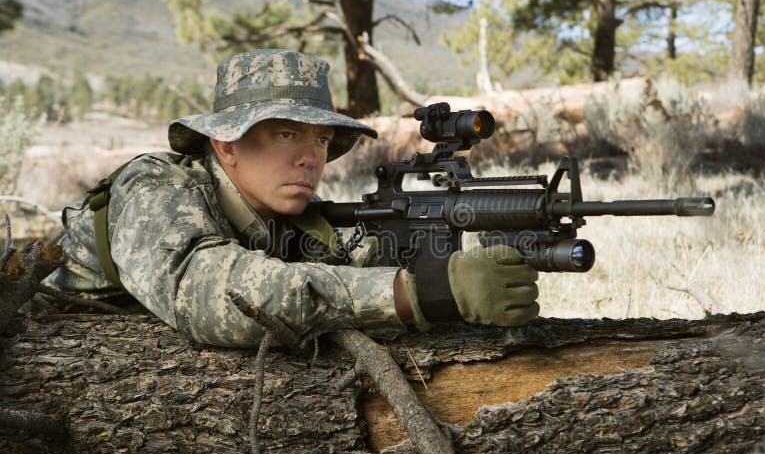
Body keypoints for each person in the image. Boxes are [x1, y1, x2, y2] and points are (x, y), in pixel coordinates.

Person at [43, 49, 539, 348]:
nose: (310, 158)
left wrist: (454, 263)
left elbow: (350, 258)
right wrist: (412, 294)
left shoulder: (283, 215)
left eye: (321, 140)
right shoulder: (153, 190)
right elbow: (214, 294)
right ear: (226, 145)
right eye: (286, 134)